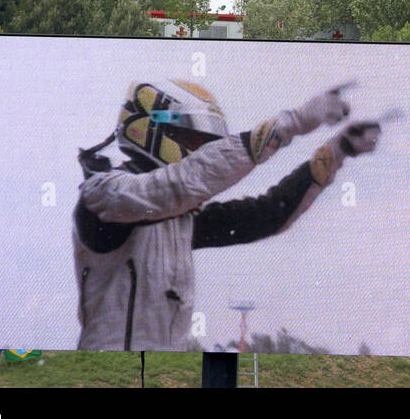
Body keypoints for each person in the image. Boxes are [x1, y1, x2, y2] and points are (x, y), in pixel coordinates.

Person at [72, 79, 382, 351]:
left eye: (206, 146)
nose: (201, 153)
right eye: (194, 142)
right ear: (154, 128)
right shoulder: (102, 196)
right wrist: (293, 122)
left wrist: (336, 151)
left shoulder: (177, 217)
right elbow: (182, 183)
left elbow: (267, 214)